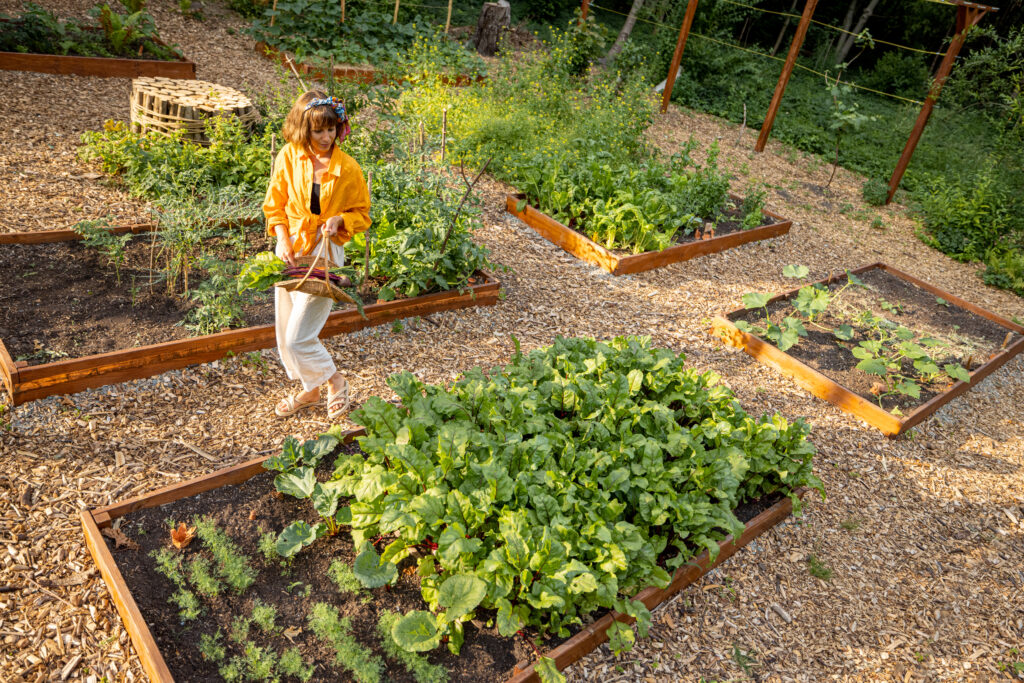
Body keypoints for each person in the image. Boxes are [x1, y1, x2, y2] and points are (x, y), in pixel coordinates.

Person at [263, 90, 370, 419]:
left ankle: (335, 381)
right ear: (303, 129)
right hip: (293, 249)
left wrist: (340, 219)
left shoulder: (348, 169)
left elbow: (362, 215)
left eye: (331, 129)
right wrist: (282, 238)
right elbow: (275, 204)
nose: (326, 137)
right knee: (285, 332)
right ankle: (310, 392)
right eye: (318, 131)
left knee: (299, 337)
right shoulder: (288, 156)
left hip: (325, 252)